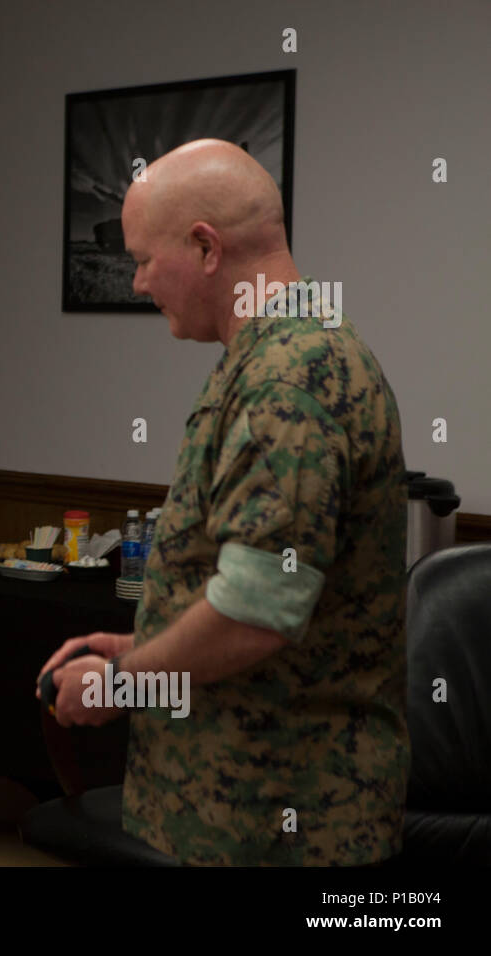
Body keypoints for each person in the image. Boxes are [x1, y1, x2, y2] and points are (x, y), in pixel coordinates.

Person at [37, 139, 409, 865]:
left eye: (143, 259)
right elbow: (251, 581)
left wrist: (121, 682)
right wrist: (154, 640)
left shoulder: (287, 379)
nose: (139, 282)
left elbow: (256, 611)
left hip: (277, 821)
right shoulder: (282, 353)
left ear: (207, 248)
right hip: (243, 805)